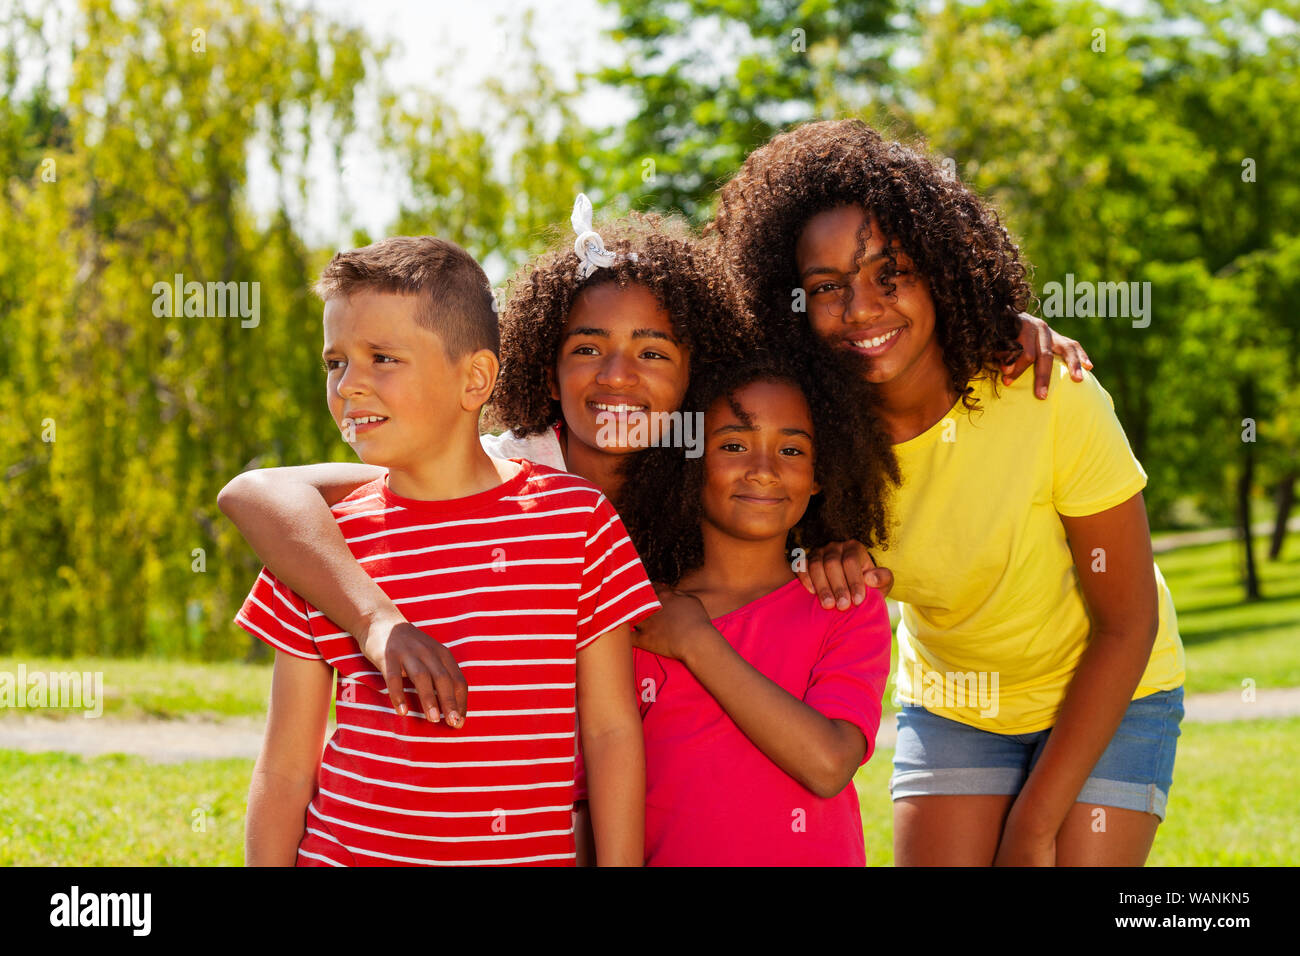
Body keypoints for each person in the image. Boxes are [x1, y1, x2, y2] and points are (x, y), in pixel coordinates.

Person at [712, 119, 1185, 866]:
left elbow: (1127, 624)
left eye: (888, 273)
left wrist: (1031, 830)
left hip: (1114, 689)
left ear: (940, 267)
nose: (862, 308)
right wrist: (821, 558)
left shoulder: (1046, 391)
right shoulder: (809, 435)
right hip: (958, 701)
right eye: (826, 288)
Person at [235, 235, 654, 866]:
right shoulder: (322, 547)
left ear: (475, 378)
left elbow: (610, 733)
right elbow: (286, 769)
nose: (350, 386)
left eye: (383, 358)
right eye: (335, 363)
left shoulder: (579, 523)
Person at [616, 350, 896, 864]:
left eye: (791, 451)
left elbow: (829, 763)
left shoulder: (845, 604)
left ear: (818, 474)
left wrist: (696, 642)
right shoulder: (642, 616)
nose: (764, 470)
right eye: (734, 445)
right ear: (690, 461)